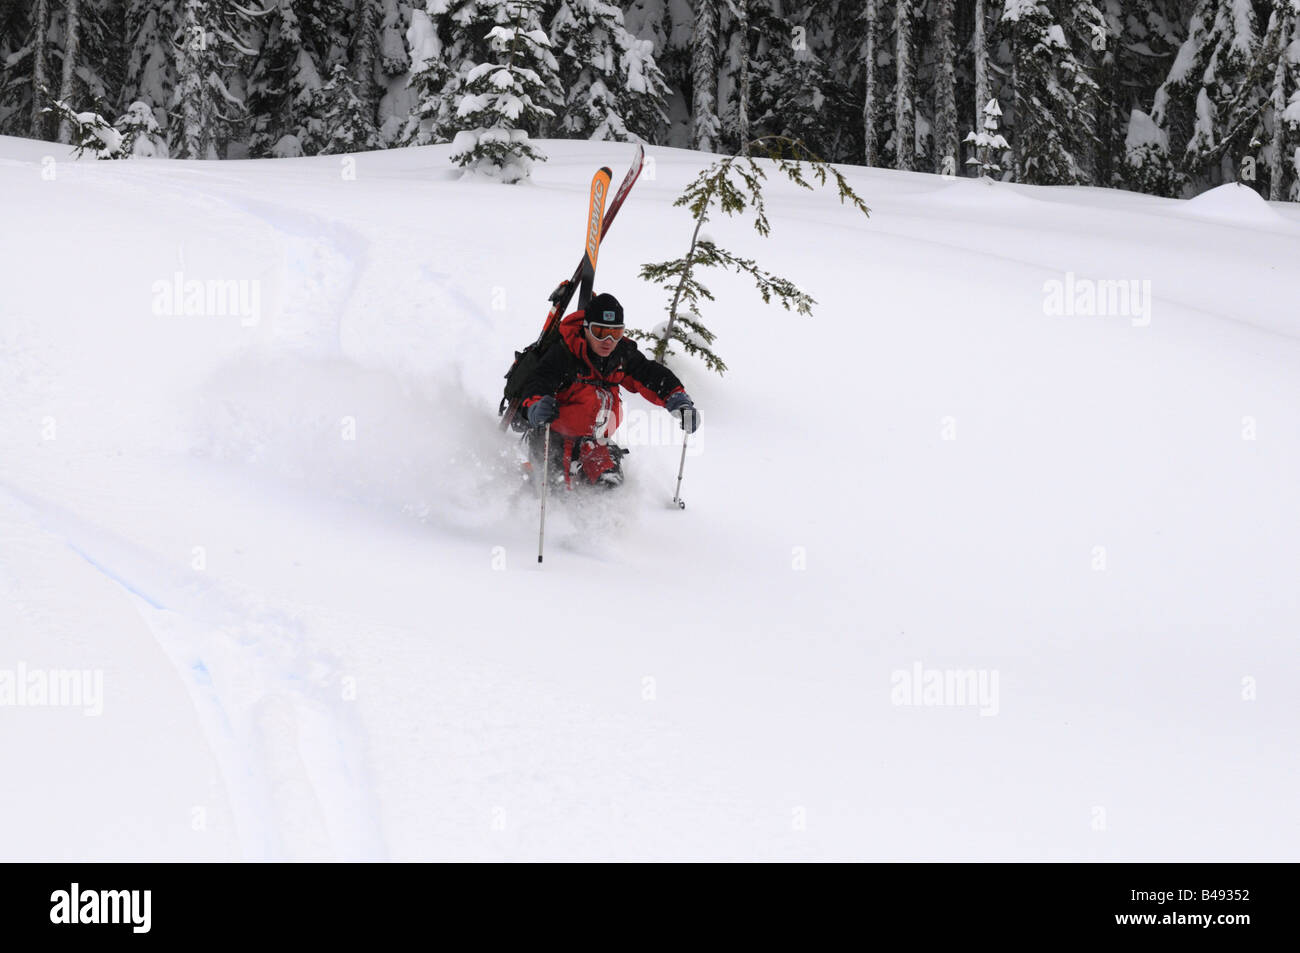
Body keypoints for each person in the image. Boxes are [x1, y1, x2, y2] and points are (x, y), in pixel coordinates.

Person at [519, 292, 701, 488]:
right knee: (555, 489)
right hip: (553, 436)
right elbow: (539, 382)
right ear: (586, 328)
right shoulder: (565, 352)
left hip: (595, 441)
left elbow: (650, 375)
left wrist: (678, 400)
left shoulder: (621, 356)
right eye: (600, 331)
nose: (608, 340)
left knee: (610, 485)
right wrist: (536, 406)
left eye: (615, 333)